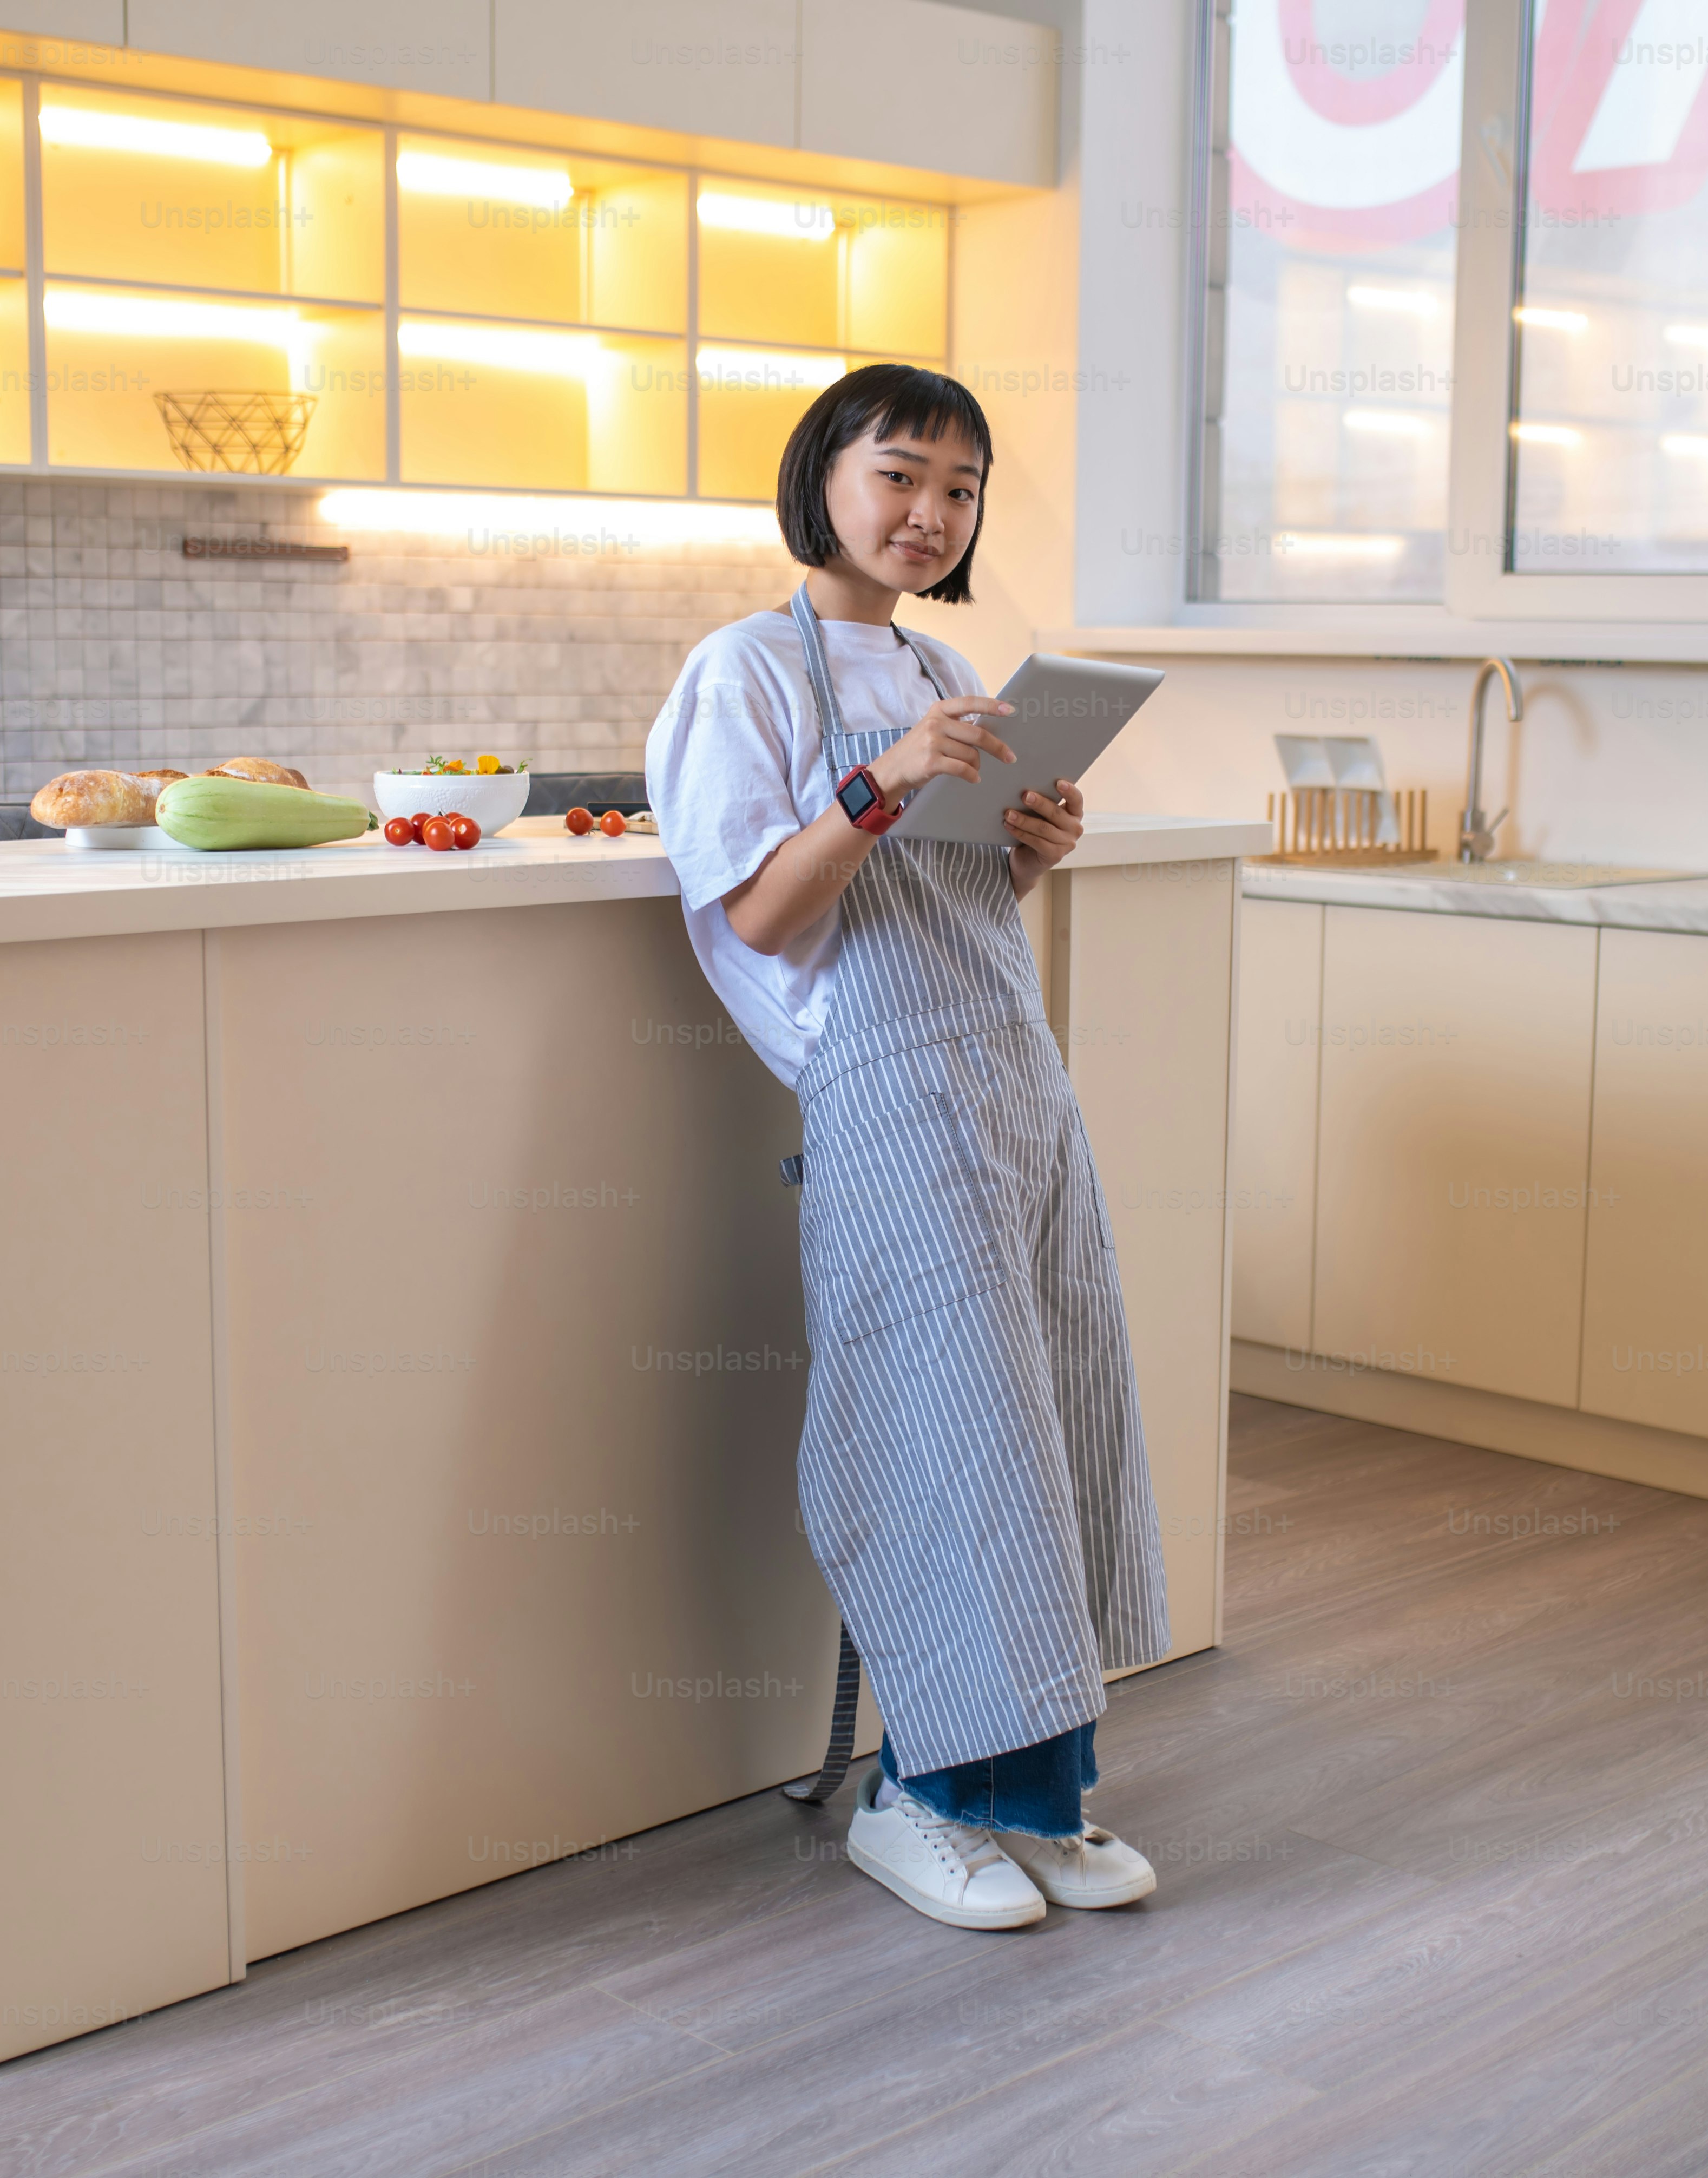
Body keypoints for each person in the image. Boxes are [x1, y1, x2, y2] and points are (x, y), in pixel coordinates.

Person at [643, 364, 1167, 1930]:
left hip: (1013, 1085)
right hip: (882, 1104)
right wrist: (883, 782)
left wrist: (1027, 854)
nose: (929, 512)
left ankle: (1043, 1804)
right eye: (901, 476)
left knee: (1053, 1423)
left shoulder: (946, 663)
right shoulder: (740, 674)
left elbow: (946, 919)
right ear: (825, 476)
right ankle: (918, 1795)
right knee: (951, 1440)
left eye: (960, 488)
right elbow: (756, 916)